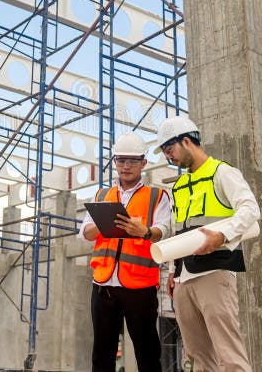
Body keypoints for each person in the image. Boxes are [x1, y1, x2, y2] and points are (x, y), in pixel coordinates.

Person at [156, 116, 260, 372]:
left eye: (170, 150)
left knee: (229, 354)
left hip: (214, 273)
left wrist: (222, 235)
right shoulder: (179, 186)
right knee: (197, 357)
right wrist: (172, 271)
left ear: (187, 141)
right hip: (183, 279)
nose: (169, 157)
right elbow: (177, 231)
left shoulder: (222, 172)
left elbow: (250, 209)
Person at [79, 131, 172, 372]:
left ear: (144, 163)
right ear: (114, 162)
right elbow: (85, 233)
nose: (126, 166)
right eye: (121, 160)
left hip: (140, 287)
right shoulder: (101, 196)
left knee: (147, 353)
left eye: (132, 161)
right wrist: (101, 224)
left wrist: (145, 231)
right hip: (104, 285)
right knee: (102, 354)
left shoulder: (156, 196)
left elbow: (164, 230)